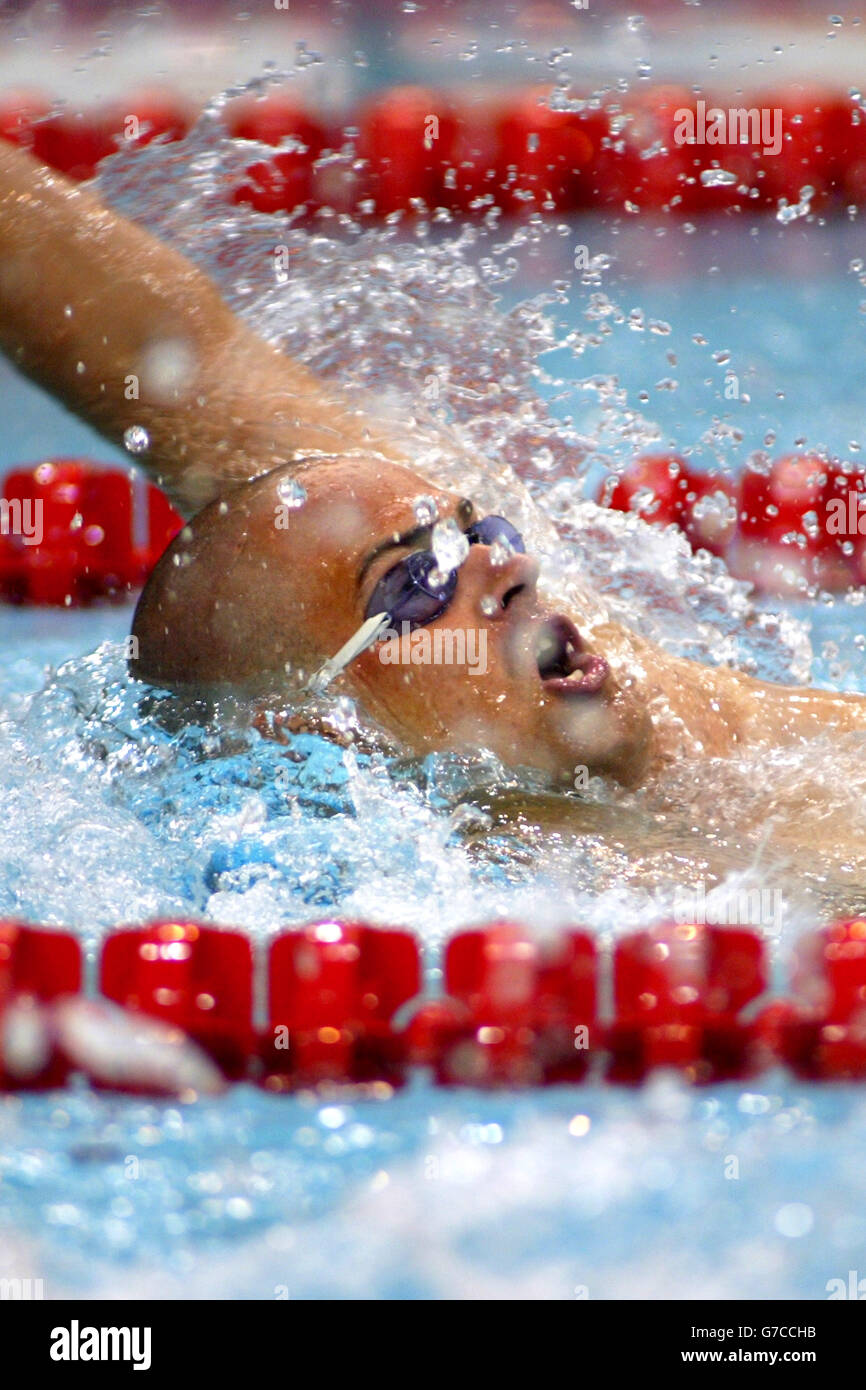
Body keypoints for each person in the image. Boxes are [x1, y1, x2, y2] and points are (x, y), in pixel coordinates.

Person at [1, 140, 864, 913]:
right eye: (414, 585)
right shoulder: (539, 872)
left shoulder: (588, 673)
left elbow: (187, 357)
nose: (507, 566)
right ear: (319, 725)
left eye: (477, 530)